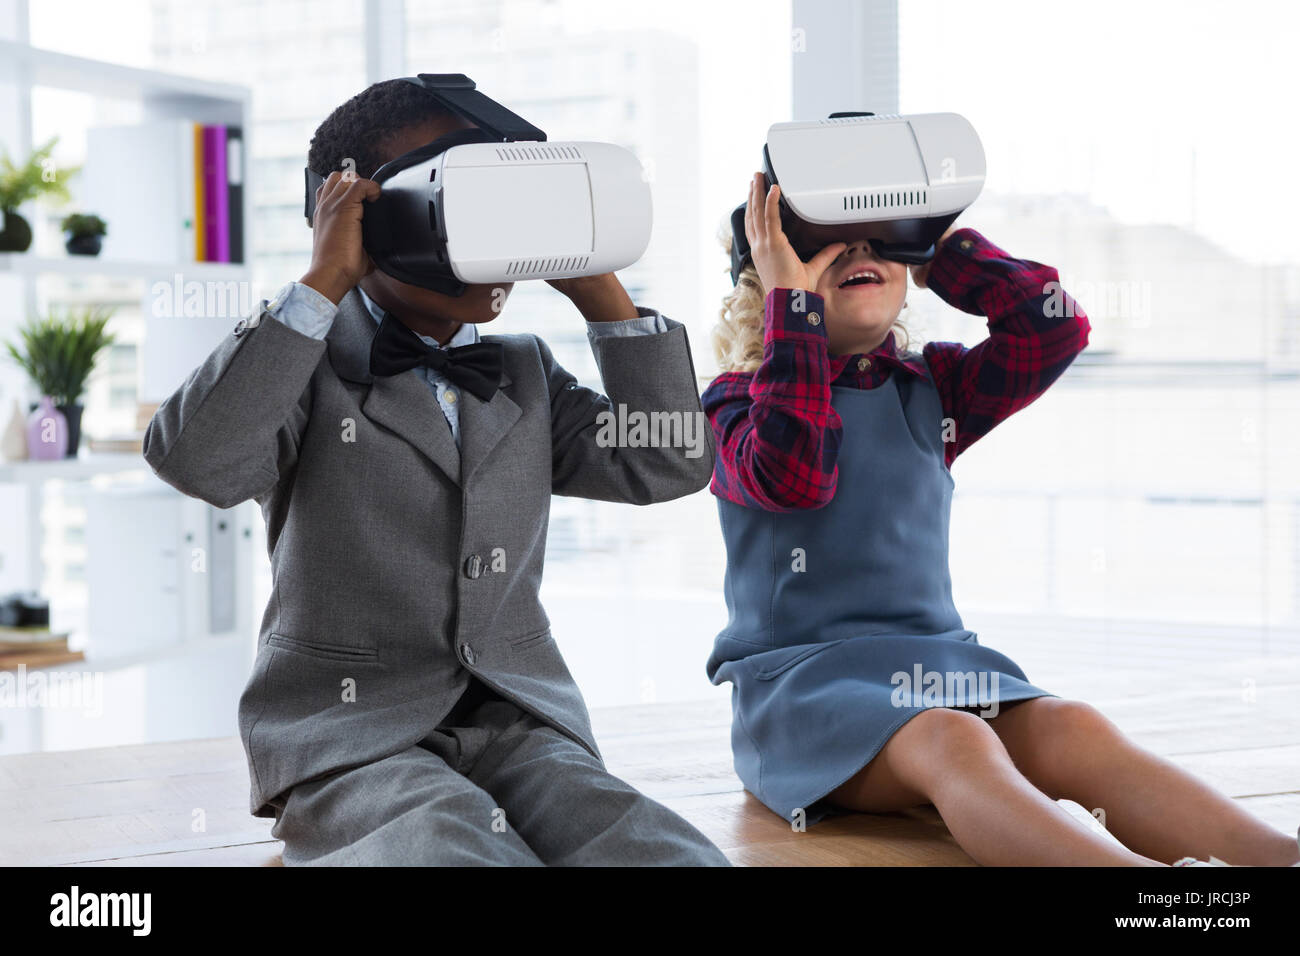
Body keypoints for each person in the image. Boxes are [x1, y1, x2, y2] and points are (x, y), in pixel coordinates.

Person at [144, 78, 729, 866]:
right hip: (349, 734)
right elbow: (198, 461)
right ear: (361, 213)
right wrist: (324, 282)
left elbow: (666, 461)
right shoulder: (301, 365)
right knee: (448, 846)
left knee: (652, 849)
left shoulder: (524, 370)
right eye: (464, 199)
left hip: (519, 720)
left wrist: (602, 293)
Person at [700, 171, 1300, 866]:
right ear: (767, 291)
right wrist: (794, 309)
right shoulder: (738, 407)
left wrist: (939, 251)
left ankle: (1278, 860)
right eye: (822, 247)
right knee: (953, 739)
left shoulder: (931, 388)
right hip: (804, 693)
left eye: (877, 243)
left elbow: (1052, 327)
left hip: (942, 670)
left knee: (1073, 727)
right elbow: (794, 475)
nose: (857, 251)